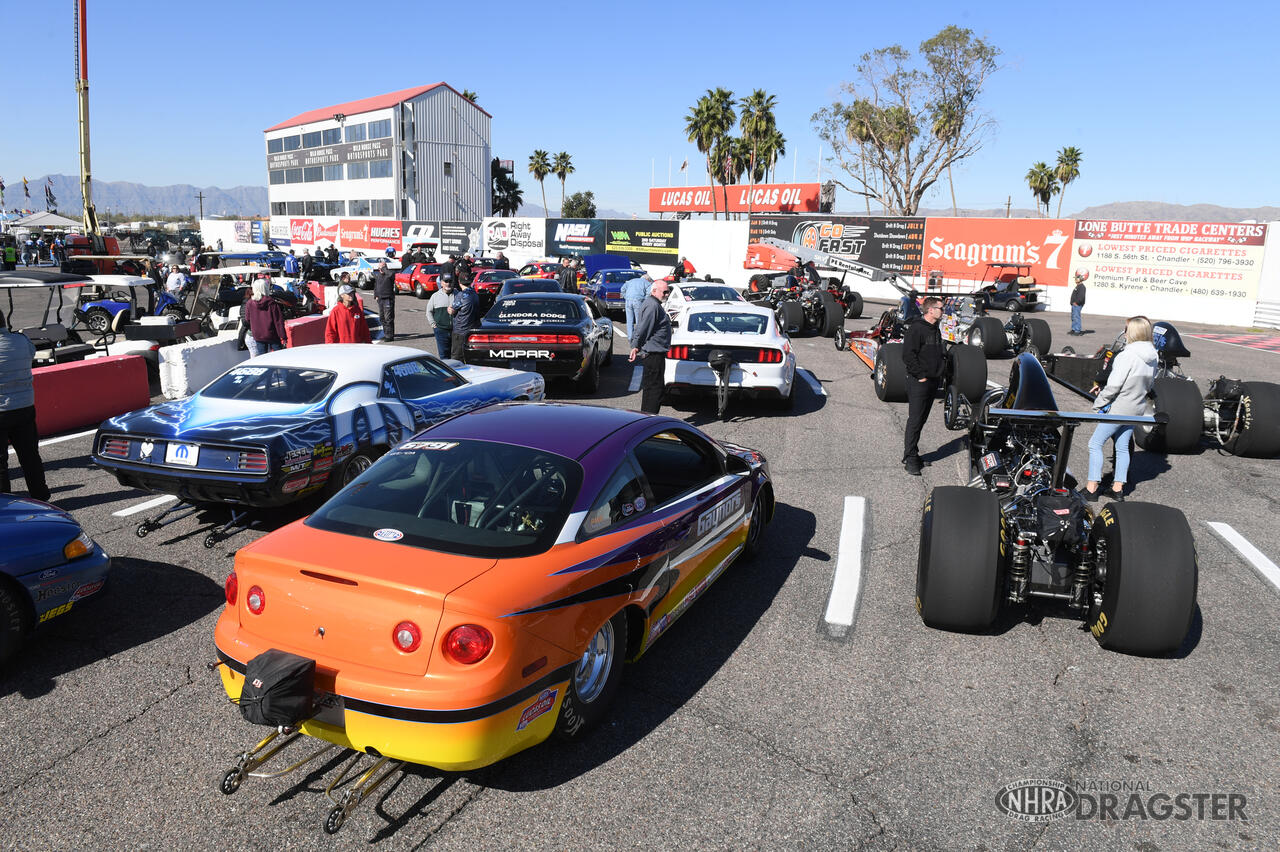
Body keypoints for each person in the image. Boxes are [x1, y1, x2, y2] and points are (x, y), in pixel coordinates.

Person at [1085, 316, 1157, 502]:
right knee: (1122, 446)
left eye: (1126, 330)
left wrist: (1099, 403)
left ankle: (1092, 488)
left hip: (1119, 407)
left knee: (1095, 443)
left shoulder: (1127, 355)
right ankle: (1118, 489)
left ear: (1133, 332)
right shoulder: (1153, 355)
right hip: (1137, 407)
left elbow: (1114, 385)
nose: (1124, 333)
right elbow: (1150, 385)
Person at [0, 310, 50, 502]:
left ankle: (5, 502)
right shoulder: (21, 340)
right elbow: (32, 353)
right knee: (30, 456)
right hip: (24, 407)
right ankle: (41, 496)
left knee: (1, 462)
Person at [901, 296, 945, 476]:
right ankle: (910, 458)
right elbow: (908, 355)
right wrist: (920, 376)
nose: (943, 311)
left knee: (922, 420)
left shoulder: (935, 328)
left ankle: (914, 453)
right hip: (919, 382)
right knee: (915, 420)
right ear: (930, 310)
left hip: (933, 381)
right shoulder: (917, 328)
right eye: (941, 308)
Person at [629, 278, 672, 414]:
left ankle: (646, 416)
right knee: (655, 389)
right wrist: (635, 346)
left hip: (654, 353)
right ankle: (651, 418)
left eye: (668, 292)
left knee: (651, 388)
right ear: (654, 291)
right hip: (653, 354)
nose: (667, 295)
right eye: (664, 292)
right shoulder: (652, 306)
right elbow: (643, 327)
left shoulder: (653, 304)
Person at [243, 280, 287, 357]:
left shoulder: (249, 303)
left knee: (262, 357)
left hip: (258, 335)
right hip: (272, 334)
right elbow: (278, 321)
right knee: (280, 357)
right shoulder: (272, 303)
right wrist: (283, 336)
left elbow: (247, 319)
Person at [448, 275, 478, 360]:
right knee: (470, 356)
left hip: (460, 330)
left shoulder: (461, 295)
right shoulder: (474, 293)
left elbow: (452, 311)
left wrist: (449, 308)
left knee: (457, 357)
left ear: (459, 282)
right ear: (470, 282)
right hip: (472, 329)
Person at [428, 275, 455, 359]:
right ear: (441, 283)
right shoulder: (435, 296)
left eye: (450, 281)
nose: (448, 284)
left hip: (456, 331)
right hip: (441, 331)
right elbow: (428, 311)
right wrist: (433, 324)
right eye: (446, 281)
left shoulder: (458, 294)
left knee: (455, 355)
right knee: (443, 355)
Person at [372, 258, 397, 342]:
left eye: (382, 268)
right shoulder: (379, 275)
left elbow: (391, 275)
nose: (380, 270)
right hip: (380, 299)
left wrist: (384, 269)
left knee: (388, 318)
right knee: (382, 318)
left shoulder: (390, 274)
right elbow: (376, 286)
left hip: (388, 298)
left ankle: (390, 336)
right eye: (379, 268)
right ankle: (386, 333)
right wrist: (376, 295)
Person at [621, 272, 651, 340]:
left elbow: (622, 289)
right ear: (647, 279)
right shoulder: (646, 283)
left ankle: (630, 338)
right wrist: (644, 300)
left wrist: (626, 297)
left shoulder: (631, 281)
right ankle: (638, 338)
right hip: (638, 301)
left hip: (628, 301)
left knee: (629, 320)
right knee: (639, 320)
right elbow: (649, 293)